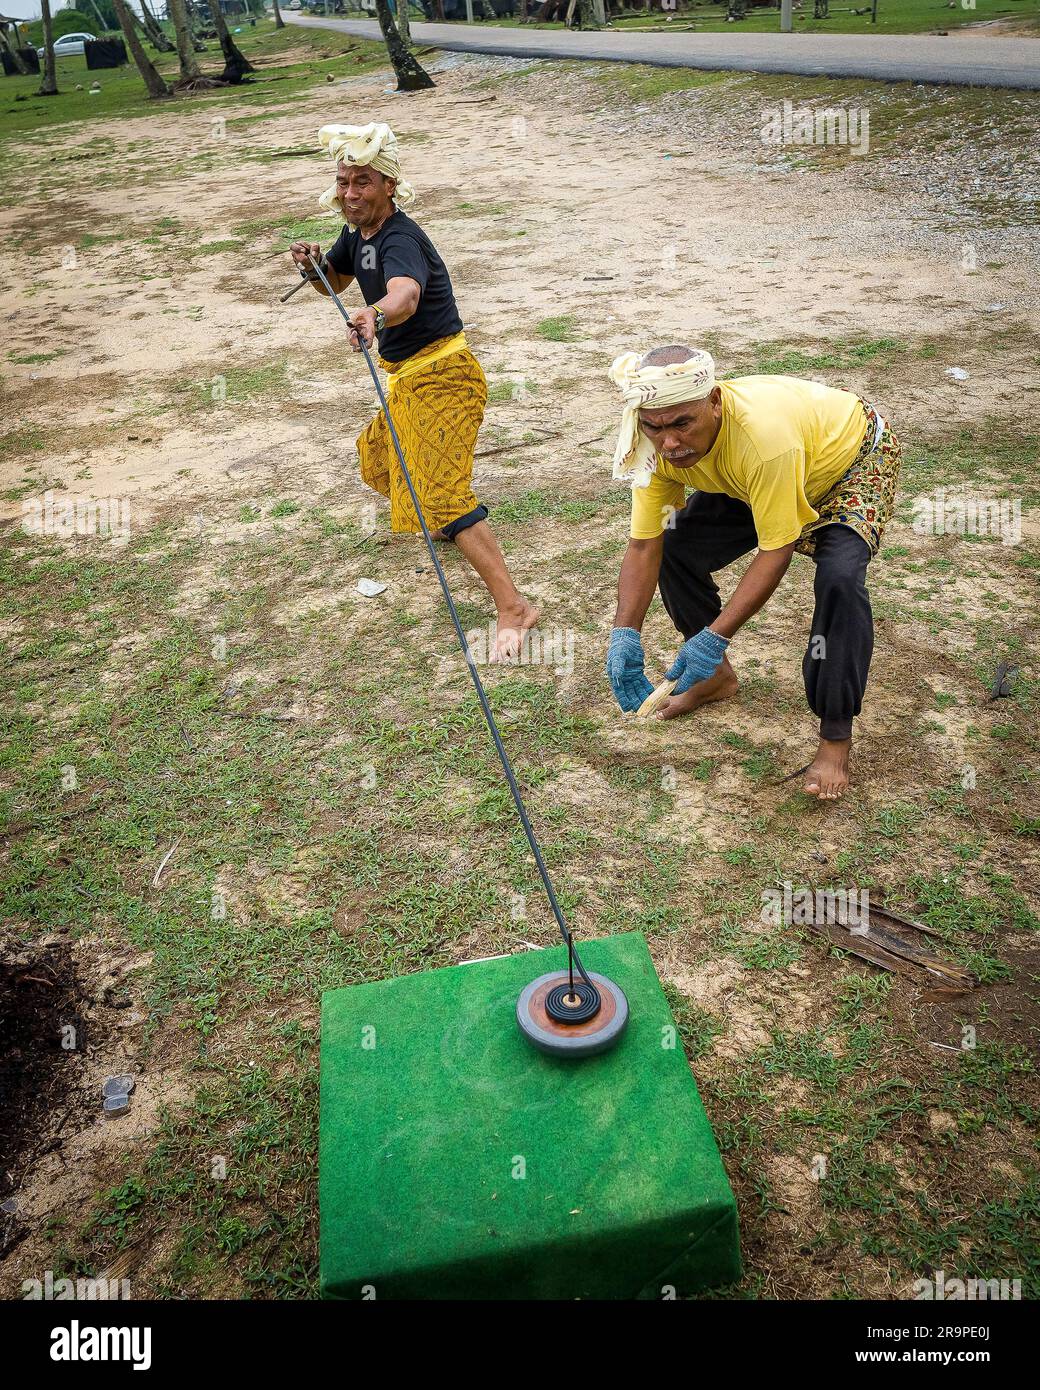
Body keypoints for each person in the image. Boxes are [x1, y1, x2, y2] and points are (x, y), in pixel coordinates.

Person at [604, 345, 902, 799]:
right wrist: (624, 633)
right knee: (677, 546)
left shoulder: (763, 440)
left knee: (838, 578)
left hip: (848, 462)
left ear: (715, 402)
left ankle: (835, 737)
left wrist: (715, 633)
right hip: (755, 478)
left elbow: (774, 549)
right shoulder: (659, 449)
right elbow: (646, 544)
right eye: (655, 426)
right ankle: (715, 678)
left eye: (683, 423)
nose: (670, 443)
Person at [291, 122, 538, 661]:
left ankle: (514, 606)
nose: (350, 194)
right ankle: (457, 527)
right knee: (378, 461)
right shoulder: (358, 233)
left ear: (389, 186)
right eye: (343, 182)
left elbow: (403, 294)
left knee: (441, 494)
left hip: (445, 379)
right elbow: (334, 281)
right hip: (411, 379)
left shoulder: (400, 237)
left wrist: (374, 314)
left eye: (363, 183)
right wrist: (313, 268)